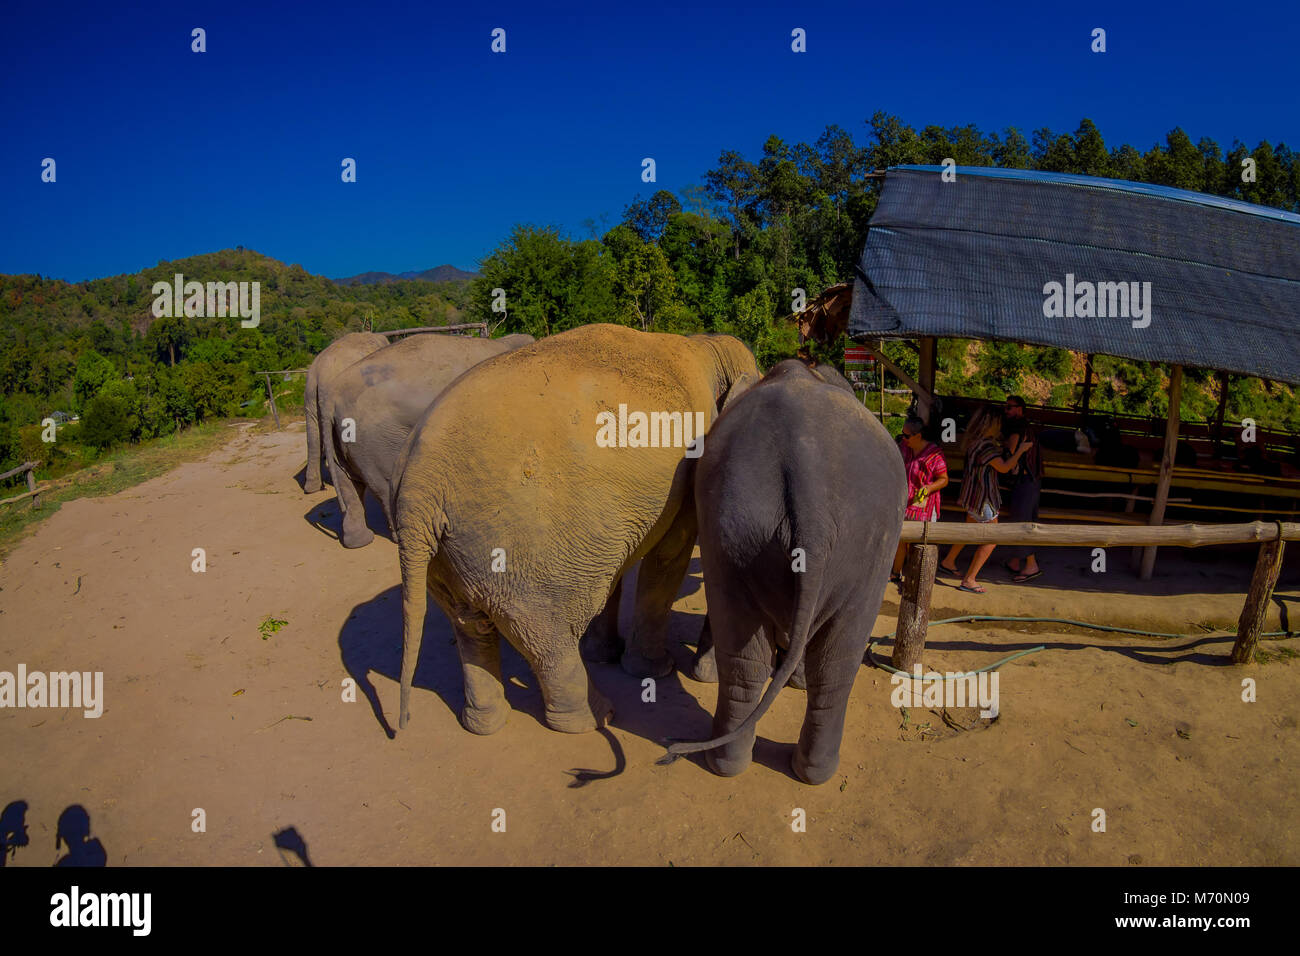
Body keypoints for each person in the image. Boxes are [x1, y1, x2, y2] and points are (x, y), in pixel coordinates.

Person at [940, 405, 1034, 593]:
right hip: (983, 498)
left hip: (971, 496)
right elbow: (1005, 467)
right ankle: (969, 579)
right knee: (991, 539)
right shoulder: (987, 448)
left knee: (968, 531)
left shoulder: (975, 442)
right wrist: (1020, 451)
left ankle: (948, 561)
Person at [891, 415, 949, 584]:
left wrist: (928, 488)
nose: (904, 438)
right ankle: (895, 572)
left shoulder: (934, 455)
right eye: (902, 434)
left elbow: (944, 479)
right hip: (905, 502)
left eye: (907, 435)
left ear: (918, 435)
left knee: (919, 544)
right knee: (901, 540)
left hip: (924, 506)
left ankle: (916, 578)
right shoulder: (903, 448)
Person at [1001, 395, 1044, 582]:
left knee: (1022, 522)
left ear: (1019, 409)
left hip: (1025, 480)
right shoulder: (1027, 425)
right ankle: (1016, 561)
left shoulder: (1017, 427)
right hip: (1033, 480)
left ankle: (1031, 565)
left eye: (1009, 407)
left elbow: (1011, 451)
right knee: (1027, 518)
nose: (1006, 411)